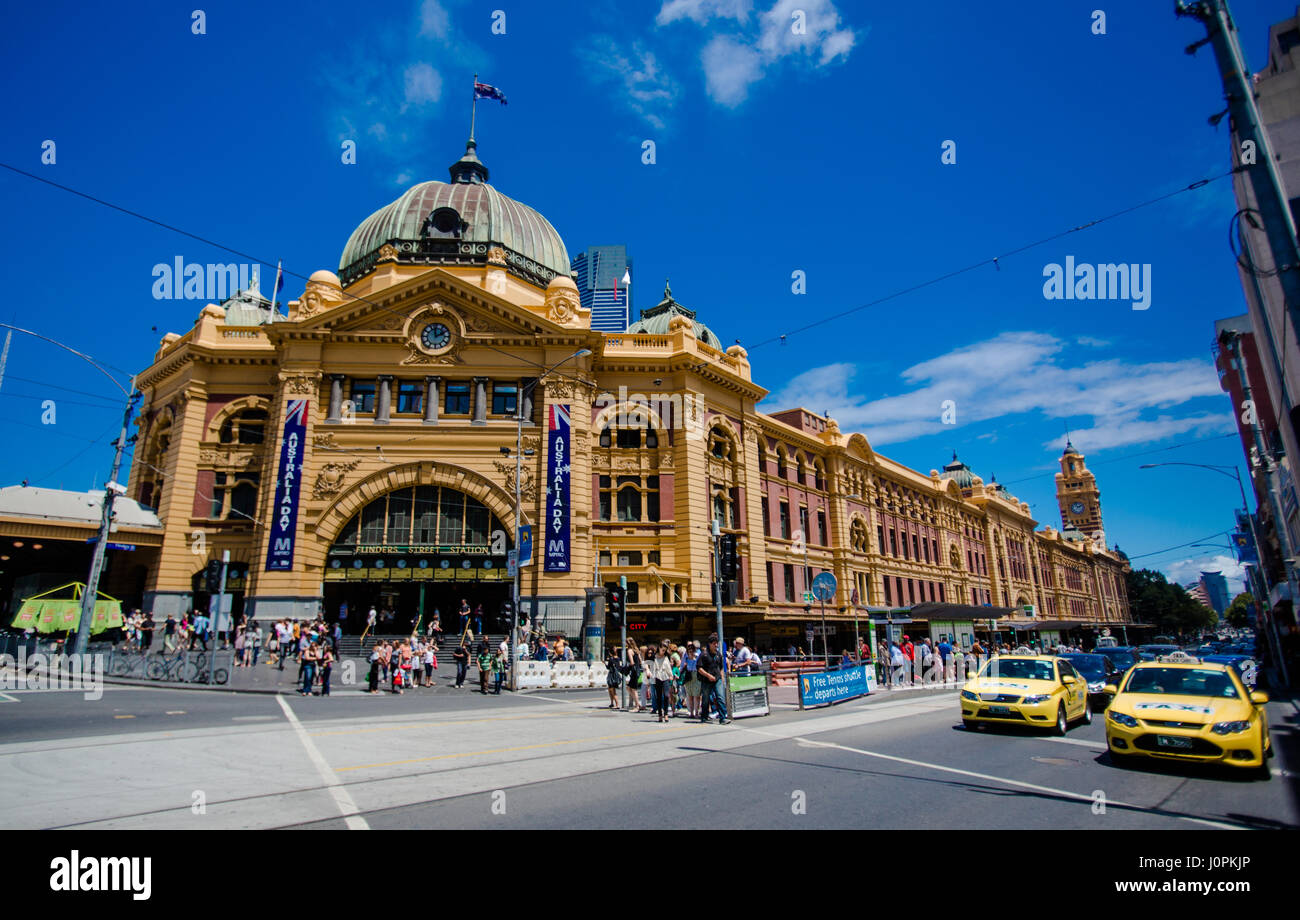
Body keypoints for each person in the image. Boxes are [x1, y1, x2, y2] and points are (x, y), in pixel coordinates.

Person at [696, 634, 727, 723]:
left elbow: (720, 667)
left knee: (720, 697)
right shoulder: (704, 655)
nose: (716, 645)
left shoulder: (718, 654)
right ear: (709, 644)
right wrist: (708, 676)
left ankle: (722, 717)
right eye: (714, 643)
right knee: (705, 699)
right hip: (706, 680)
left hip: (717, 679)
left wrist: (722, 677)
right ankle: (704, 716)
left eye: (716, 643)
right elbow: (699, 668)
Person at [648, 643, 673, 722]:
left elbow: (668, 666)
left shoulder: (666, 657)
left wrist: (671, 675)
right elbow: (649, 665)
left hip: (665, 676)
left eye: (665, 650)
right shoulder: (653, 657)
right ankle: (660, 714)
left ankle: (666, 714)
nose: (663, 651)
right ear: (659, 648)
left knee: (666, 695)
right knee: (658, 696)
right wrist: (650, 673)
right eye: (662, 649)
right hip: (657, 677)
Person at [681, 642, 701, 718]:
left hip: (696, 675)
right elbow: (682, 666)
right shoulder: (685, 656)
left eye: (692, 650)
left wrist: (694, 658)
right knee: (689, 695)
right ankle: (691, 712)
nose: (690, 652)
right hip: (688, 676)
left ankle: (696, 712)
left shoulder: (697, 656)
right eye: (689, 650)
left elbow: (699, 665)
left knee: (696, 695)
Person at [624, 643, 645, 712]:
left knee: (633, 689)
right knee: (629, 688)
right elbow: (640, 661)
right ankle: (638, 704)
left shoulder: (629, 651)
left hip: (633, 671)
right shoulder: (636, 651)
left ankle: (637, 706)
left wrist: (626, 668)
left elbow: (632, 663)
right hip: (638, 670)